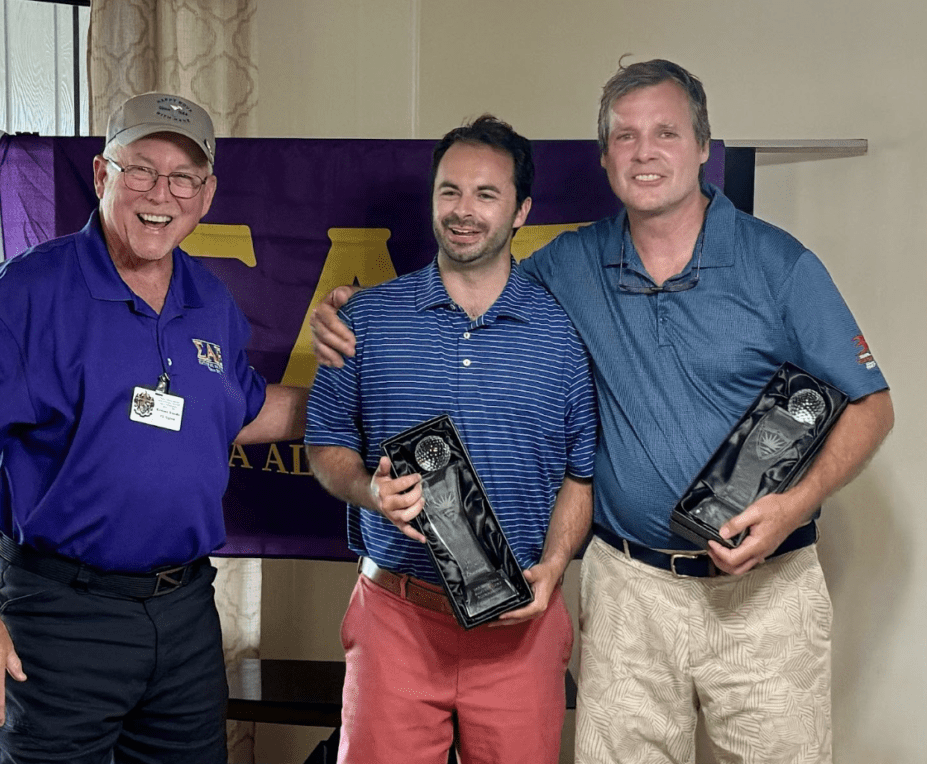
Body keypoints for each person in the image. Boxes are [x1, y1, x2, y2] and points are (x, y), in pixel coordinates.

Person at [311, 60, 894, 763]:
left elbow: (872, 406)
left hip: (766, 592)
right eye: (625, 136)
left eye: (665, 133)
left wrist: (792, 507)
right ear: (604, 156)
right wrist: (356, 310)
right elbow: (474, 279)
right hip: (630, 590)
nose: (644, 152)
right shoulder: (570, 266)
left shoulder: (780, 263)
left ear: (703, 146)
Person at [0, 92, 308, 764]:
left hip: (184, 615)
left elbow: (243, 410)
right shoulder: (19, 299)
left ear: (206, 195)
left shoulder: (210, 301)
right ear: (103, 174)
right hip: (58, 617)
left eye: (183, 177)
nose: (161, 194)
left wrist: (367, 400)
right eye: (142, 171)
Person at [305, 115, 597, 764]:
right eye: (450, 191)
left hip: (519, 625)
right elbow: (325, 442)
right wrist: (369, 490)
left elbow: (580, 477)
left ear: (521, 211)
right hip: (396, 618)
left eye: (486, 194)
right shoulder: (364, 318)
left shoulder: (566, 334)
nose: (464, 211)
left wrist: (555, 567)